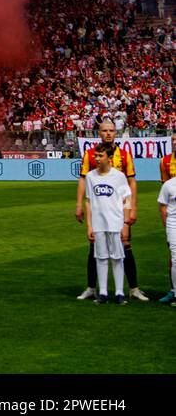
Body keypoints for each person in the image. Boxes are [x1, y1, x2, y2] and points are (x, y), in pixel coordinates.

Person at [74, 120, 147, 300]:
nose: (108, 133)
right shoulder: (91, 155)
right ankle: (92, 288)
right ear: (99, 133)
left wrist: (133, 209)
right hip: (99, 209)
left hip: (119, 209)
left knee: (126, 245)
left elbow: (131, 182)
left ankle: (133, 288)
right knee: (94, 248)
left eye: (111, 131)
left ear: (116, 133)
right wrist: (78, 204)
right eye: (104, 130)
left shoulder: (124, 155)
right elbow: (84, 179)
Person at [83, 147, 132, 305]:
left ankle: (119, 293)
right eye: (95, 156)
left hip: (115, 222)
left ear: (109, 157)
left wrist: (125, 223)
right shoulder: (90, 176)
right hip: (98, 224)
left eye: (100, 156)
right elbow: (89, 201)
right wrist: (89, 226)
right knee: (101, 257)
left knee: (117, 258)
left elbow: (127, 200)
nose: (97, 159)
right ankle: (103, 292)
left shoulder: (119, 176)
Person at [158, 172, 176, 308]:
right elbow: (162, 206)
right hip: (173, 224)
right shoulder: (168, 185)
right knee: (175, 259)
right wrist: (167, 226)